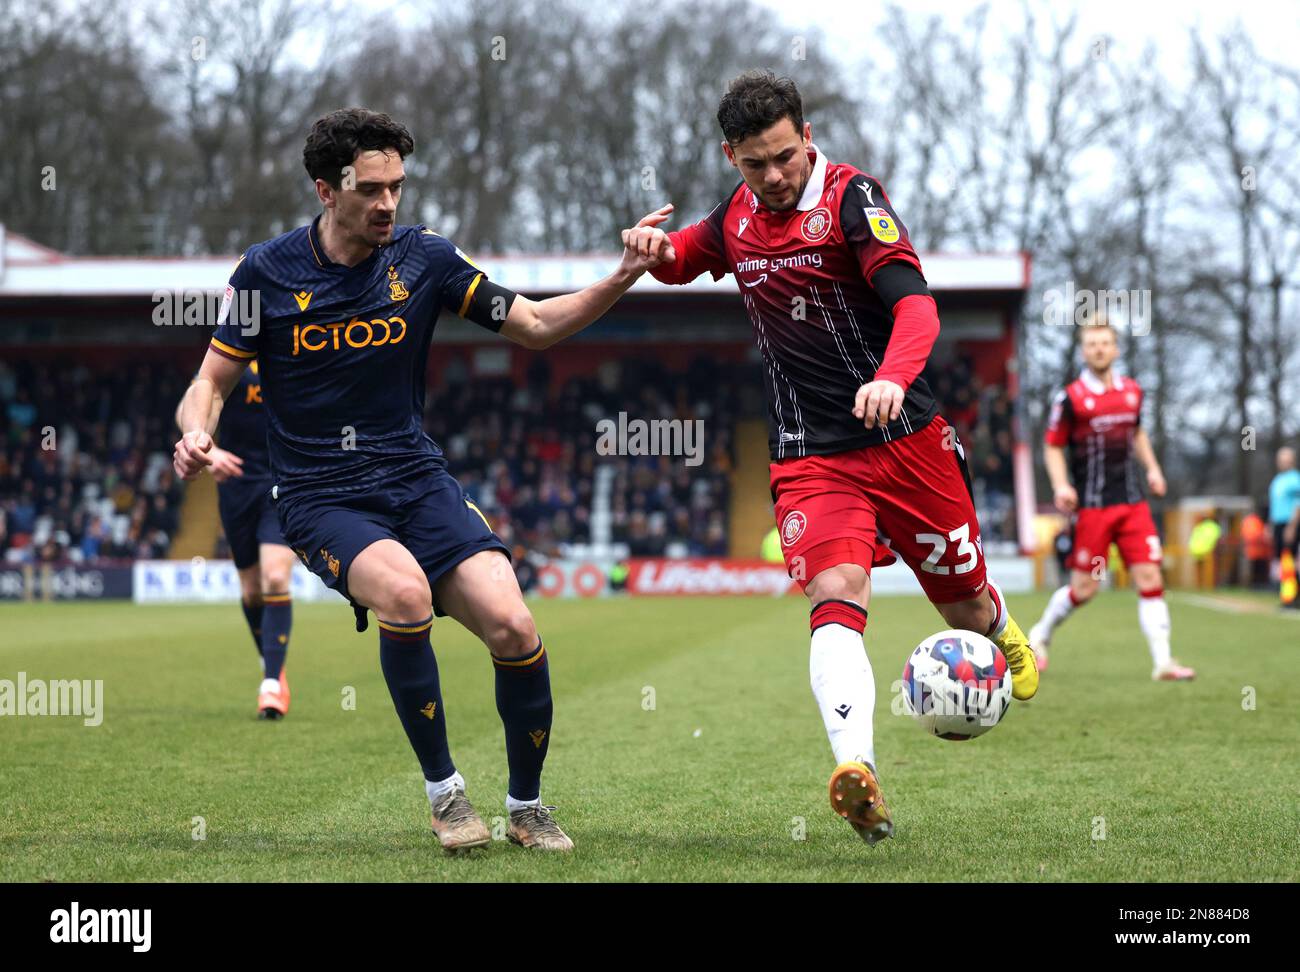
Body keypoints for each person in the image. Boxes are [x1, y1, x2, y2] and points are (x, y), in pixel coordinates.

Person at [174, 108, 669, 854]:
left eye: (397, 187)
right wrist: (196, 430)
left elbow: (533, 325)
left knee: (516, 627)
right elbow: (209, 380)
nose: (388, 204)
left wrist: (623, 275)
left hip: (415, 479)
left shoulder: (425, 259)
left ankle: (527, 807)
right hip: (319, 495)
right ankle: (446, 796)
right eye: (371, 189)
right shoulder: (265, 272)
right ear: (324, 190)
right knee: (405, 594)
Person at [640, 71, 1039, 846]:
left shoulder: (854, 200)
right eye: (756, 163)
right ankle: (858, 774)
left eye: (786, 156)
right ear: (732, 157)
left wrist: (892, 376)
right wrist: (652, 246)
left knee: (960, 605)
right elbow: (682, 260)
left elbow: (916, 306)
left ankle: (1000, 624)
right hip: (811, 453)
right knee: (837, 587)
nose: (776, 175)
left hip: (907, 443)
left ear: (807, 137)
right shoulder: (738, 217)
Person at [1029, 317, 1195, 680]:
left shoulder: (1133, 391)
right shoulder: (1070, 398)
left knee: (1150, 576)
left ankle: (1163, 663)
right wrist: (1061, 486)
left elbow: (1137, 433)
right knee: (1085, 589)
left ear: (1116, 348)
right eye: (1092, 344)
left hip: (1133, 503)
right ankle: (1040, 635)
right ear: (1084, 350)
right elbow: (1053, 446)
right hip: (1093, 506)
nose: (1099, 349)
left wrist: (1152, 469)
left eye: (1105, 343)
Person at [175, 359, 298, 718]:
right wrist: (207, 449)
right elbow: (189, 406)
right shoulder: (233, 359)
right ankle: (271, 660)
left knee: (275, 575)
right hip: (236, 485)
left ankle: (272, 683)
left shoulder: (297, 347)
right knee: (251, 591)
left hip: (284, 482)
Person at [1267, 446, 1300, 608]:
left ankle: (1292, 597)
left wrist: (1292, 526)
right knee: (1283, 560)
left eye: (1286, 458)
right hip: (1279, 524)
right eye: (1280, 458)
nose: (1282, 461)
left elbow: (1297, 504)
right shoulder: (1278, 480)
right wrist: (1270, 525)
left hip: (1290, 523)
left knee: (1290, 559)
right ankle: (1287, 595)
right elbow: (1275, 505)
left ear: (1292, 460)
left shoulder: (1295, 480)